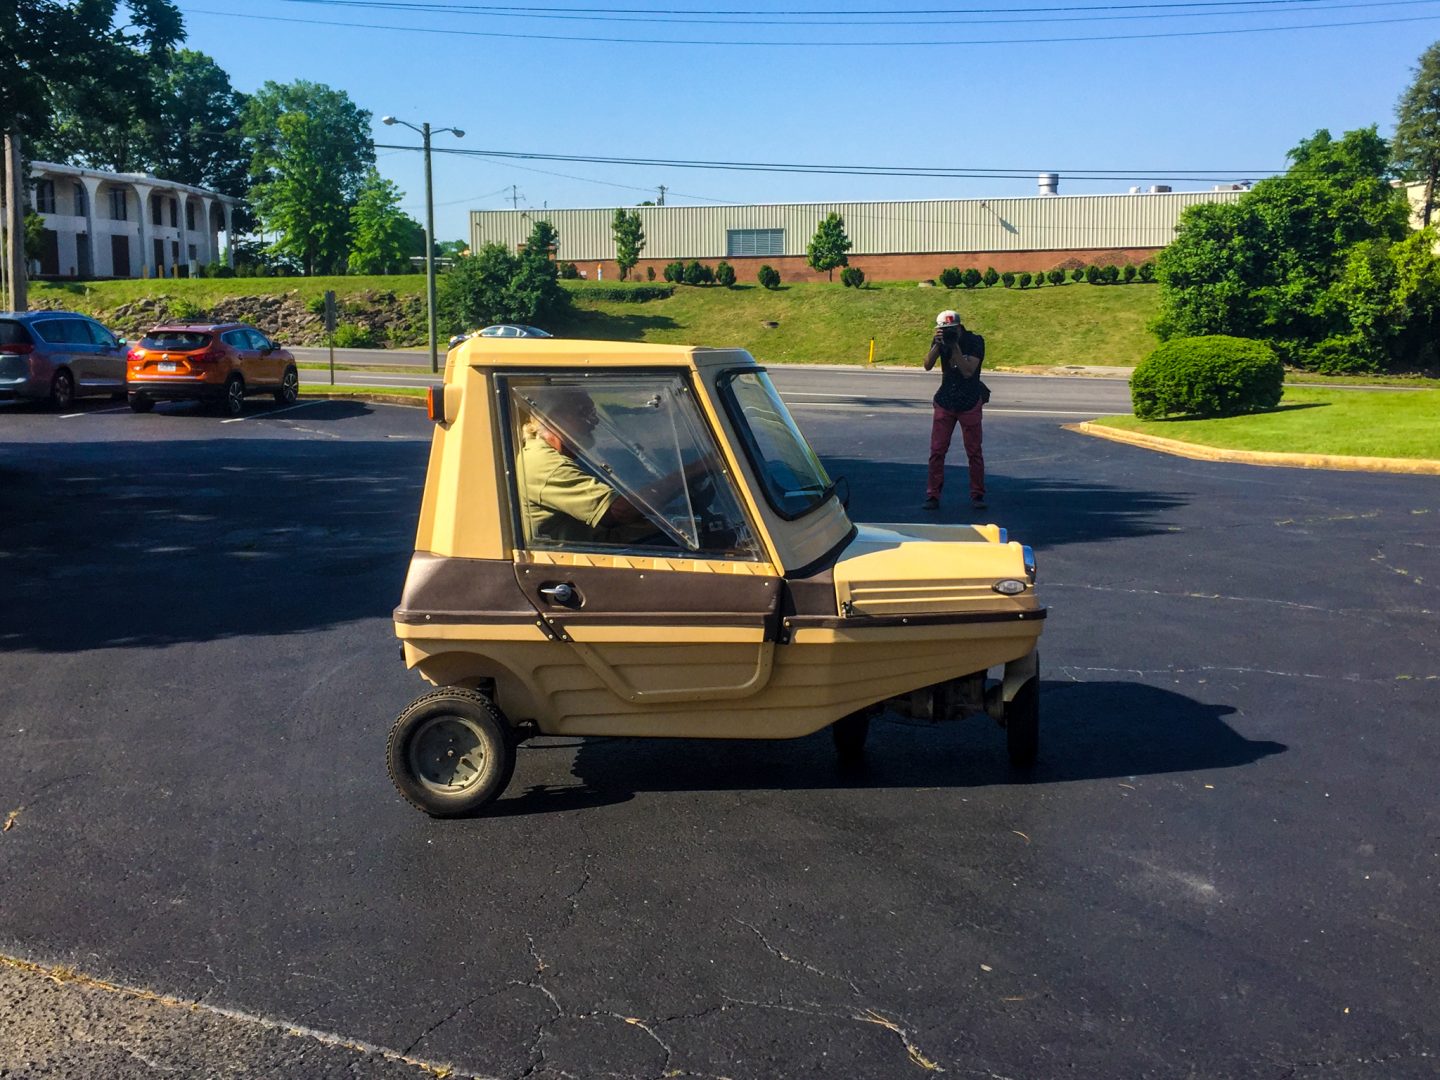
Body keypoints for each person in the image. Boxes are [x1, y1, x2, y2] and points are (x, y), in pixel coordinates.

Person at [921, 309, 987, 512]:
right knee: (937, 451)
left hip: (969, 400)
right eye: (943, 329)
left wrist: (955, 347)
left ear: (959, 327)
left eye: (950, 329)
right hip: (945, 400)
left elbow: (968, 371)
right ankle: (933, 495)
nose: (948, 332)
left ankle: (977, 494)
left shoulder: (975, 341)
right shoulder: (940, 340)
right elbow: (927, 365)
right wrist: (937, 345)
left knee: (974, 451)